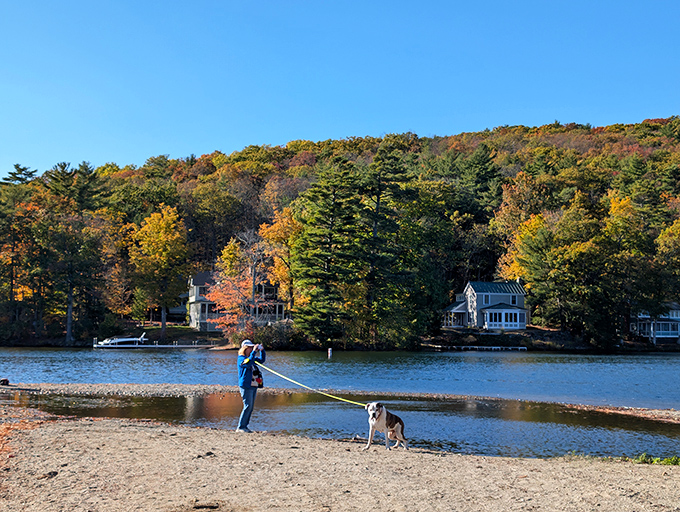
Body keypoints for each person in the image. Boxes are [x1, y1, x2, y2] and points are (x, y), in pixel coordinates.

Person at [236, 339, 266, 432]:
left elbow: (261, 360)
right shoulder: (242, 359)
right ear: (245, 348)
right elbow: (248, 363)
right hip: (246, 385)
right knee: (247, 406)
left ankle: (245, 426)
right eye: (250, 348)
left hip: (253, 385)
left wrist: (262, 350)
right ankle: (240, 427)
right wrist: (254, 351)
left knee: (251, 407)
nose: (251, 349)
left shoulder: (251, 358)